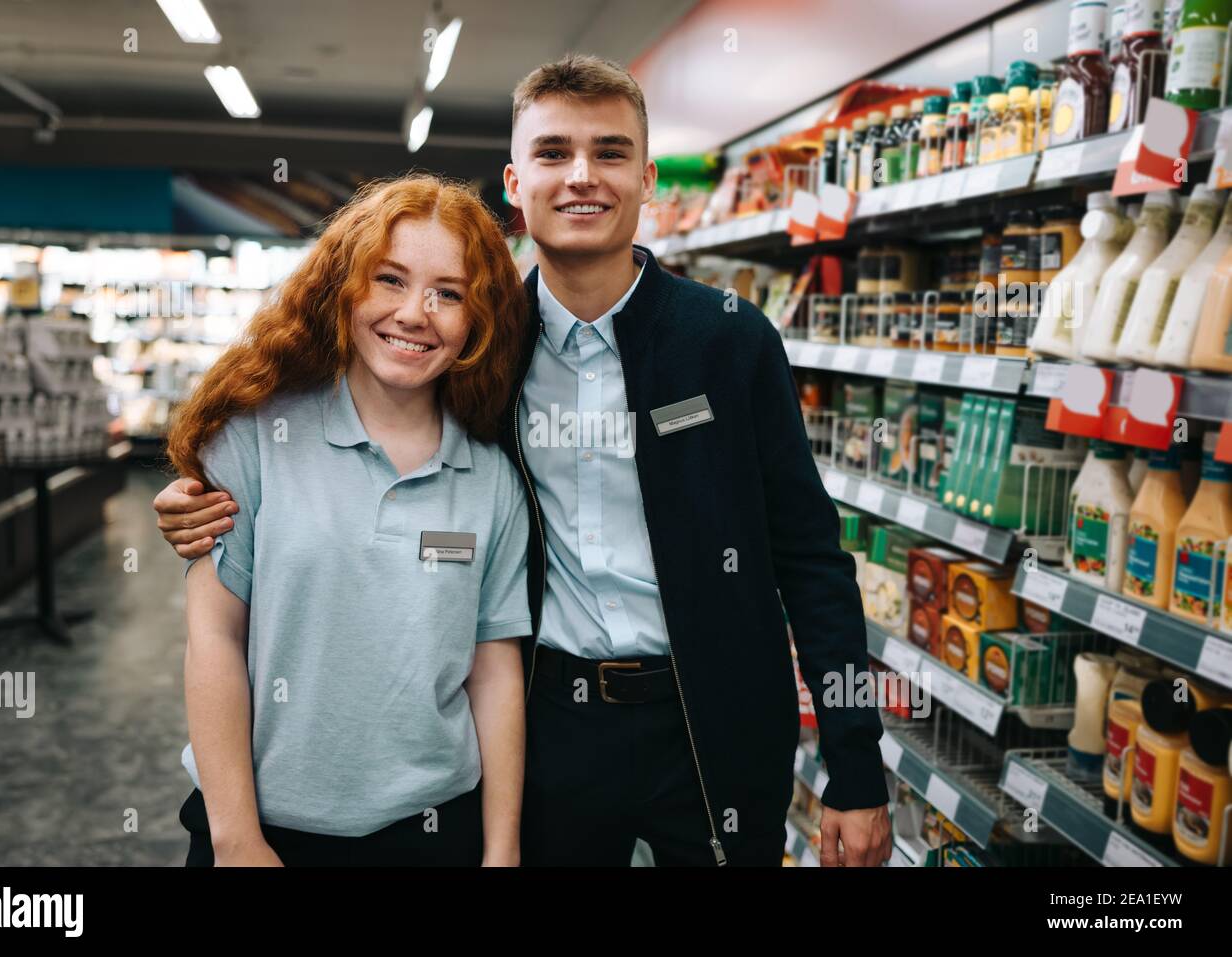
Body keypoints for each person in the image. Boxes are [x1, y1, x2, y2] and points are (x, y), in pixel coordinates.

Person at [157, 56, 893, 867]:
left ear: (648, 178)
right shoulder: (483, 345)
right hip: (550, 728)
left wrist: (855, 765)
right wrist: (207, 488)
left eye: (610, 153)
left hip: (713, 717)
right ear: (515, 180)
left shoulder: (728, 339)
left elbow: (812, 558)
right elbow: (354, 425)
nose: (583, 176)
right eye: (553, 153)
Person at [166, 174, 531, 866]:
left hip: (429, 833)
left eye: (448, 293)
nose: (415, 312)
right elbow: (213, 635)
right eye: (389, 280)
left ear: (478, 320)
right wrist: (237, 838)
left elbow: (494, 670)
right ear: (347, 287)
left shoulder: (491, 482)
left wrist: (501, 849)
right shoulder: (253, 438)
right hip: (264, 831)